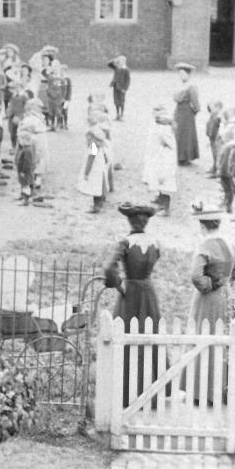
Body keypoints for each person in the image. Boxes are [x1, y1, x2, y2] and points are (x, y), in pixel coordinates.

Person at [103, 202, 162, 408]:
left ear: (129, 221)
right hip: (148, 293)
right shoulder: (155, 243)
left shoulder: (125, 242)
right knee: (150, 336)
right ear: (146, 222)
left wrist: (119, 285)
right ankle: (150, 391)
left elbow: (109, 268)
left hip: (130, 294)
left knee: (126, 337)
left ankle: (126, 391)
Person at [186, 201, 235, 405]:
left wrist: (209, 285)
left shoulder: (204, 245)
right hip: (226, 296)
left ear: (202, 226)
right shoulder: (231, 244)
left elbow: (194, 275)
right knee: (222, 339)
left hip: (207, 299)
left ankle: (200, 392)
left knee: (203, 336)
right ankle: (221, 391)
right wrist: (226, 285)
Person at [142, 105, 178, 216]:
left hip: (165, 163)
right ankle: (162, 204)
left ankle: (166, 210)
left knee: (165, 185)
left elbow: (169, 146)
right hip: (161, 161)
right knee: (161, 184)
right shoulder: (162, 131)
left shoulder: (165, 133)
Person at [77, 124, 110, 214]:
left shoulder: (94, 147)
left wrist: (86, 172)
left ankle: (96, 206)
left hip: (94, 169)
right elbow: (106, 157)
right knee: (101, 185)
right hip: (101, 168)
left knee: (95, 187)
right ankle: (101, 201)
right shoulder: (102, 146)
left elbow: (90, 160)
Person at [172, 63, 200, 165]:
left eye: (183, 73)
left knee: (185, 134)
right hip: (179, 110)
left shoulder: (191, 86)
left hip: (187, 111)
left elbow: (195, 101)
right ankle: (179, 156)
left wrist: (195, 110)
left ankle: (185, 157)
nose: (181, 76)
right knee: (178, 132)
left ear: (188, 75)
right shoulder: (180, 85)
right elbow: (175, 97)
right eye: (180, 73)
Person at [205, 100, 224, 178]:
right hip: (212, 138)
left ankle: (216, 169)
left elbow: (215, 129)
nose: (211, 110)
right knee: (214, 154)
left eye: (214, 108)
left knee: (216, 154)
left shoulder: (217, 118)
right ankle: (214, 167)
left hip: (215, 138)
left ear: (218, 109)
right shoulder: (212, 116)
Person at [109, 55, 131, 121]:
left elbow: (128, 80)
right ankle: (117, 115)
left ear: (124, 62)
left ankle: (122, 115)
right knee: (116, 101)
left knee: (121, 101)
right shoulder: (116, 68)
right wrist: (114, 60)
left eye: (121, 61)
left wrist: (125, 88)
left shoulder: (126, 69)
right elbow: (109, 64)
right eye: (119, 61)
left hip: (122, 88)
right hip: (115, 86)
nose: (119, 62)